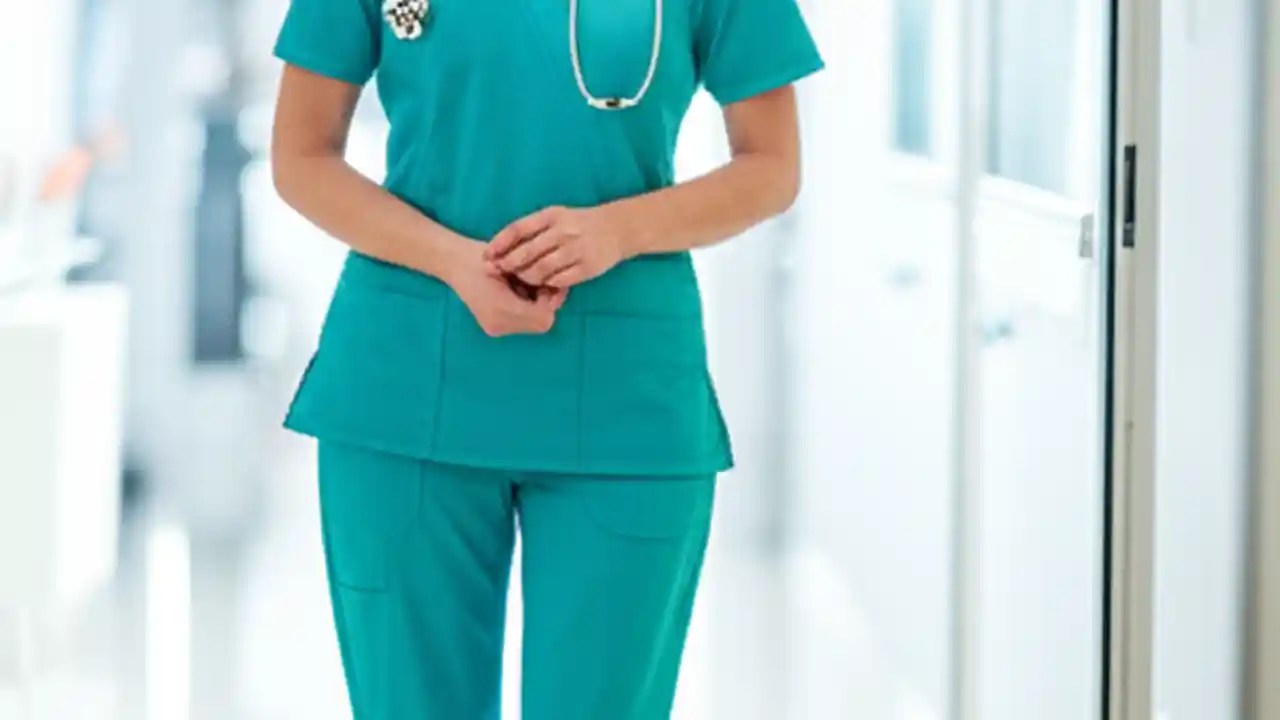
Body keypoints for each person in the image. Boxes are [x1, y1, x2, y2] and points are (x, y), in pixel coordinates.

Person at [269, 0, 822, 714]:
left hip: (625, 399)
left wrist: (619, 230)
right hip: (407, 387)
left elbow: (771, 164)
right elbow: (301, 156)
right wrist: (452, 260)